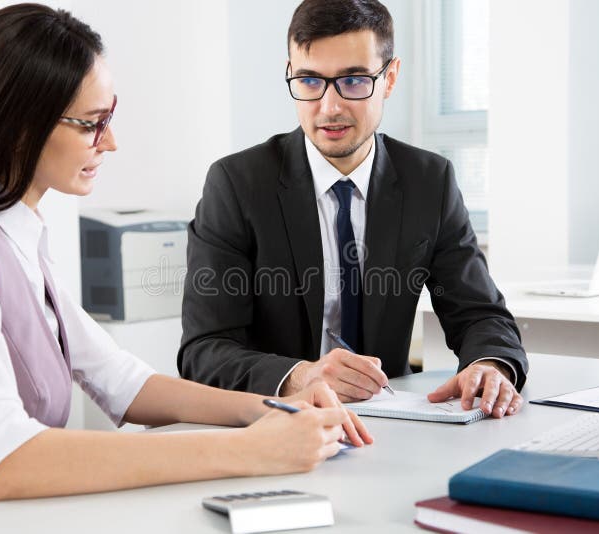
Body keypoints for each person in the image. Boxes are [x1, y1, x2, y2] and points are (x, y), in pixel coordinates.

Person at [0, 3, 371, 502]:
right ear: (18, 127)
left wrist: (274, 408)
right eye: (91, 123)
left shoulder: (18, 239)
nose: (111, 142)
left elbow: (124, 383)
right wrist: (252, 451)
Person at [179, 0, 528, 418]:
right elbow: (204, 351)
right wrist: (300, 375)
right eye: (309, 81)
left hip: (394, 425)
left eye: (354, 81)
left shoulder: (428, 182)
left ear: (390, 78)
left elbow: (479, 313)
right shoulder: (237, 185)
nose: (329, 107)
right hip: (276, 423)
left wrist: (488, 365)